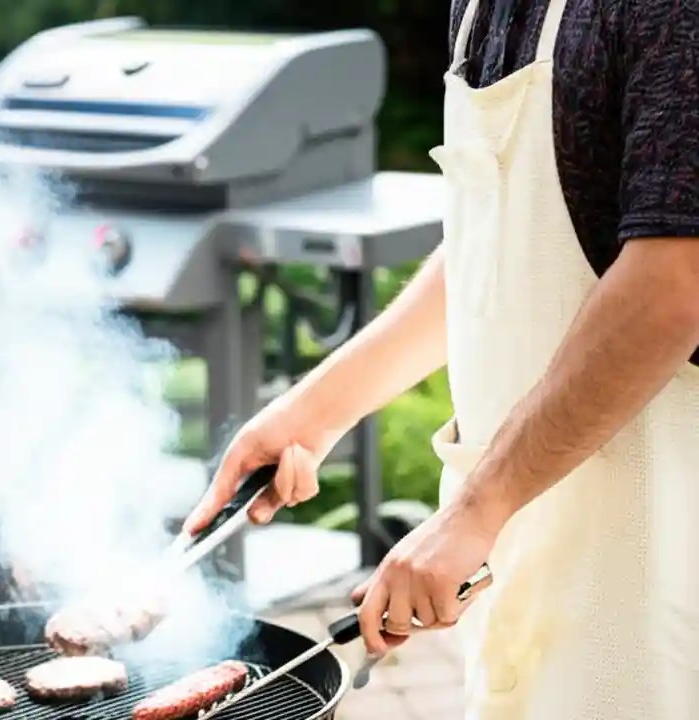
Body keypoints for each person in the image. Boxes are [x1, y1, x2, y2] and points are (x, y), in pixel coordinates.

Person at [184, 1, 699, 717]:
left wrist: (476, 510)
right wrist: (314, 411)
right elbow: (487, 245)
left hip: (658, 556)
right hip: (519, 549)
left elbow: (675, 285)